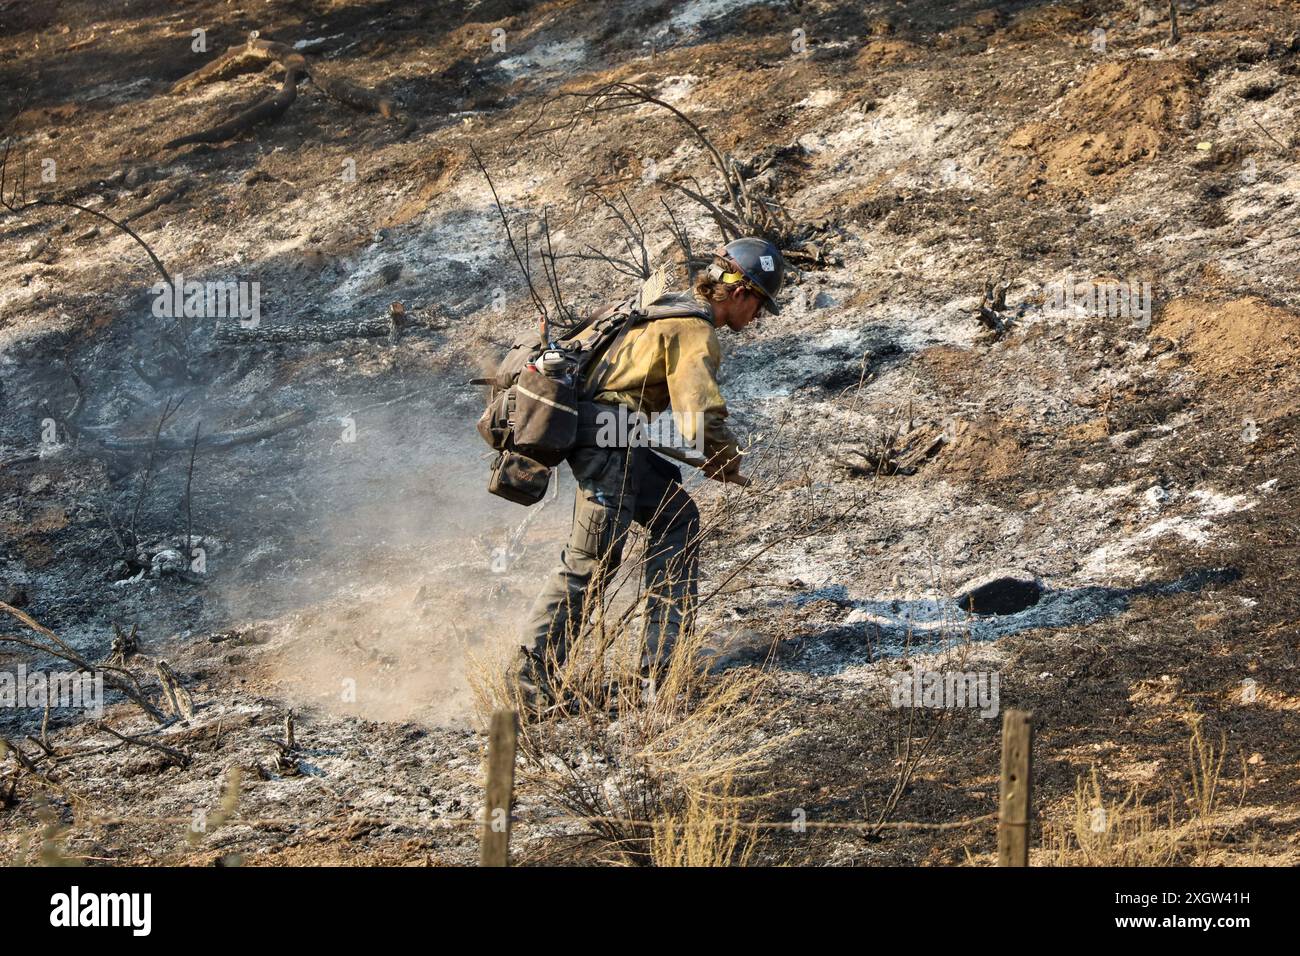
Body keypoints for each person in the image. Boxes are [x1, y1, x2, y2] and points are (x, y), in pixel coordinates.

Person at [511, 238, 786, 712]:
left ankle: (660, 669)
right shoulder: (694, 329)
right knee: (591, 560)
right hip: (607, 442)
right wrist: (727, 458)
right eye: (760, 304)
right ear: (741, 292)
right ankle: (528, 687)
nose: (758, 316)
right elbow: (699, 418)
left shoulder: (668, 308)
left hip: (615, 437)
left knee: (677, 518)